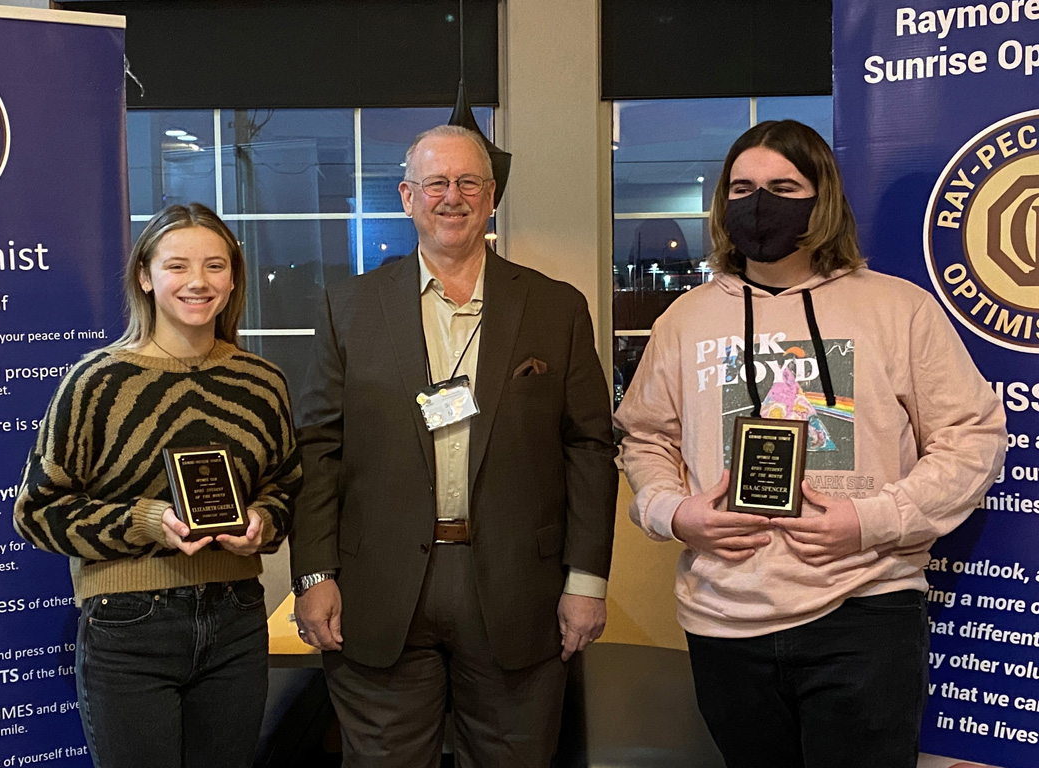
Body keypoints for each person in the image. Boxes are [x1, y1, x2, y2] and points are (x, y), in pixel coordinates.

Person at [614, 120, 1006, 768]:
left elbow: (973, 437)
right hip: (723, 619)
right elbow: (646, 435)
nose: (759, 203)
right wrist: (673, 513)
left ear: (821, 199)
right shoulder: (685, 319)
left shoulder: (898, 308)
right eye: (742, 189)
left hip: (865, 611)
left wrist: (872, 520)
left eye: (783, 187)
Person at [290, 125, 617, 767]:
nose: (452, 197)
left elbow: (589, 449)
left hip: (520, 590)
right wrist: (314, 574)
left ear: (492, 197)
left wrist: (587, 580)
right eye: (436, 182)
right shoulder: (349, 306)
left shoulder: (555, 307)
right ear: (407, 197)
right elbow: (319, 450)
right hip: (377, 589)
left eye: (469, 182)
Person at [14, 203, 301, 768]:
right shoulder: (97, 382)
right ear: (145, 276)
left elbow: (286, 487)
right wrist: (148, 523)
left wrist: (263, 523)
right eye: (177, 266)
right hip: (129, 626)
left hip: (237, 617)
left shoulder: (262, 381)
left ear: (233, 278)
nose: (198, 282)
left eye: (215, 266)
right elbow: (38, 512)